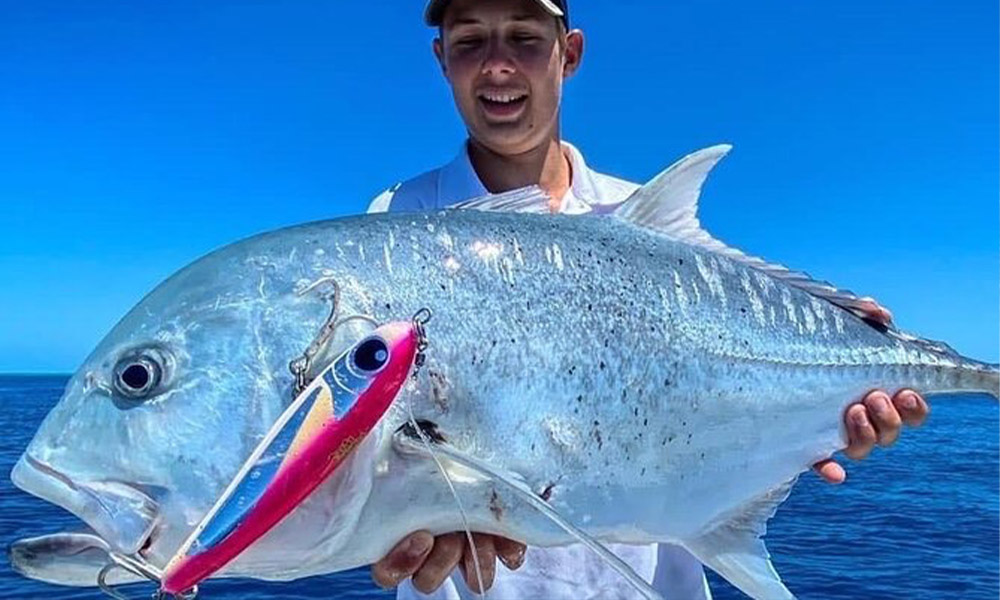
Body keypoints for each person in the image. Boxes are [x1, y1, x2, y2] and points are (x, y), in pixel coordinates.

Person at [366, 0, 929, 598]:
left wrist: (808, 421)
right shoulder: (398, 225)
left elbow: (726, 384)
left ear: (570, 54)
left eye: (525, 38)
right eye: (470, 42)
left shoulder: (643, 223)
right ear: (442, 59)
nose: (497, 64)